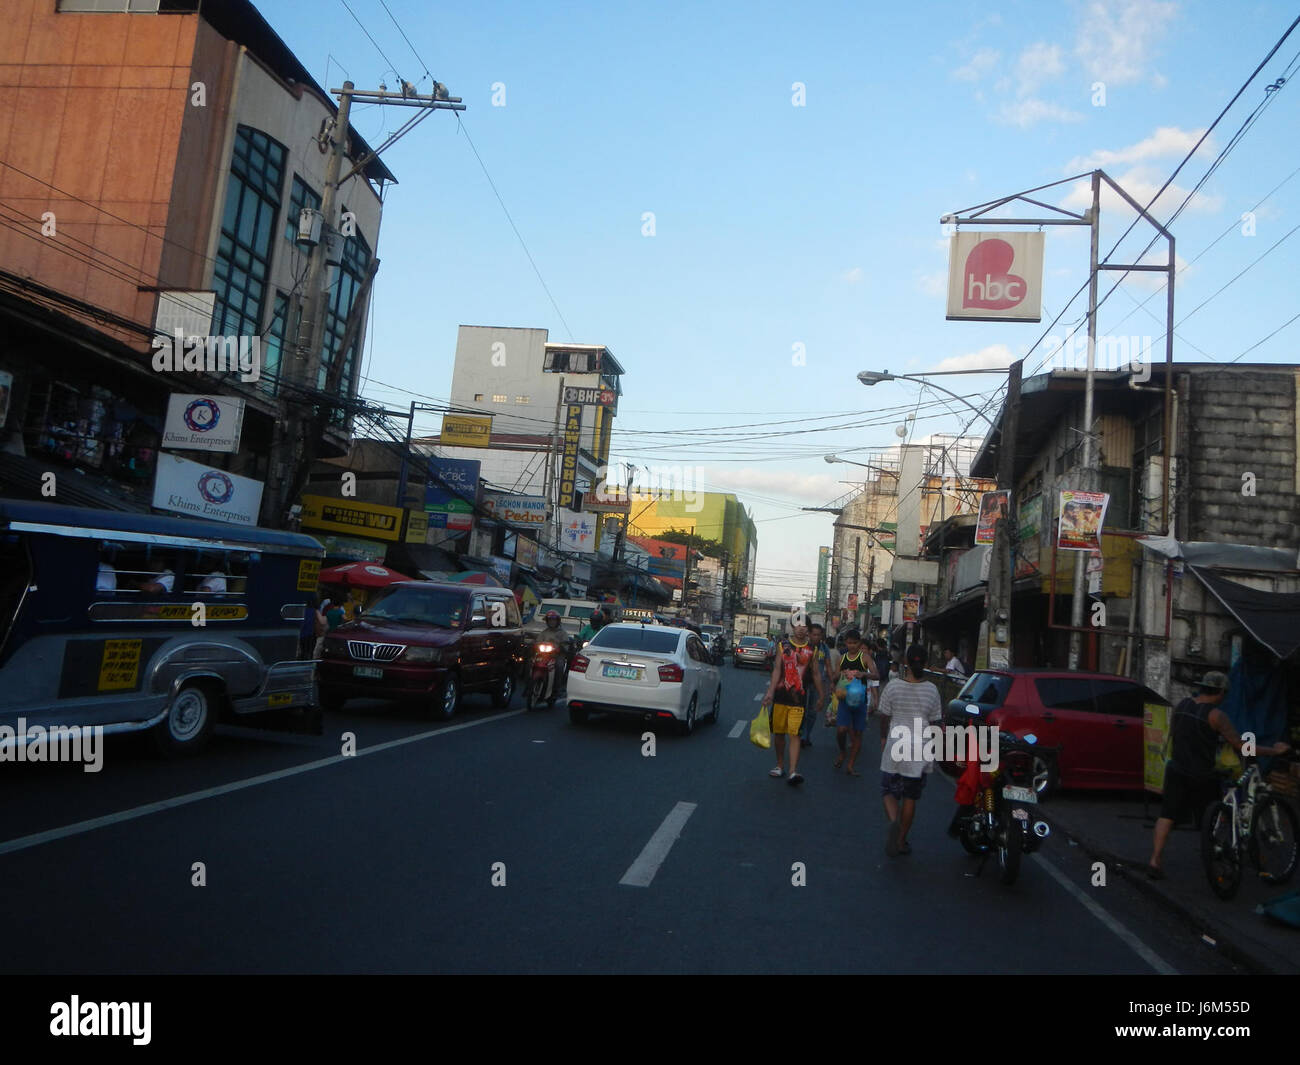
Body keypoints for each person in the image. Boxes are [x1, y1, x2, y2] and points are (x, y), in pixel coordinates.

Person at [1146, 670, 1291, 880]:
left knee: (1167, 815)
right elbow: (1242, 747)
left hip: (1176, 769)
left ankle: (1154, 860)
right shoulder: (1216, 715)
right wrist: (1273, 751)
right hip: (1201, 775)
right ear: (1221, 692)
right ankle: (1217, 861)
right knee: (1214, 818)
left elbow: (1175, 735)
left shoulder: (1182, 705)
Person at [878, 642, 943, 856]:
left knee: (889, 791)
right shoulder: (932, 689)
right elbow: (935, 724)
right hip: (920, 746)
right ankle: (901, 840)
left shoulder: (894, 686)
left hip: (897, 741)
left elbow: (884, 716)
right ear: (925, 663)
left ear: (905, 661)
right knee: (910, 796)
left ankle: (893, 821)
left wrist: (882, 737)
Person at [760, 620, 825, 787]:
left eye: (805, 626)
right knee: (779, 733)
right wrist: (770, 692)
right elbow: (777, 670)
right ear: (793, 627)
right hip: (781, 697)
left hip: (799, 699)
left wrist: (821, 695)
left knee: (795, 734)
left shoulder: (813, 649)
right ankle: (780, 765)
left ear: (808, 630)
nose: (801, 629)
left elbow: (816, 673)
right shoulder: (783, 646)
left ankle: (793, 771)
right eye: (798, 625)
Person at [830, 628, 878, 775]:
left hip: (860, 700)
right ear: (845, 643)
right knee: (841, 730)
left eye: (855, 643)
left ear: (859, 643)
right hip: (844, 699)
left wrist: (863, 674)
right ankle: (843, 751)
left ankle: (850, 764)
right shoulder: (842, 658)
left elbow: (877, 675)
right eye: (849, 643)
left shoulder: (865, 658)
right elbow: (834, 678)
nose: (852, 646)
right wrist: (840, 676)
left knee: (858, 733)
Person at [797, 623, 833, 749]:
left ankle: (806, 736)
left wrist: (832, 682)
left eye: (818, 635)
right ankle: (800, 734)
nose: (816, 637)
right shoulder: (803, 647)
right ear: (809, 634)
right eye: (814, 634)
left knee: (812, 712)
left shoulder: (824, 648)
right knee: (801, 710)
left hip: (818, 684)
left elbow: (828, 666)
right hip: (803, 682)